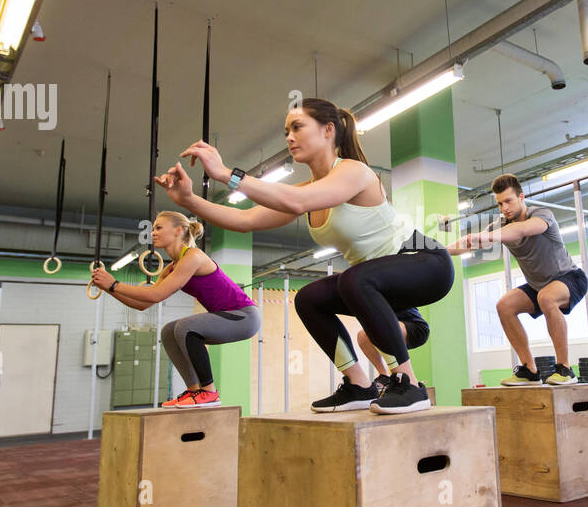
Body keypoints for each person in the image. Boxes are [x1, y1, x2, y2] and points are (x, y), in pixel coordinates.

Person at [157, 97, 454, 414]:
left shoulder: (354, 172)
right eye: (286, 130)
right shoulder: (308, 189)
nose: (288, 137)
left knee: (354, 279)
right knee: (310, 297)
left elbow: (296, 201)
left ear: (328, 130)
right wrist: (188, 200)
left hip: (426, 262)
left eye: (297, 127)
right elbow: (244, 221)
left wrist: (225, 174)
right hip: (381, 283)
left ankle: (408, 383)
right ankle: (358, 385)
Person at [90, 210, 262, 407]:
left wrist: (114, 284)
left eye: (158, 228)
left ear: (178, 230)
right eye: (153, 228)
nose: (153, 232)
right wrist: (108, 288)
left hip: (244, 317)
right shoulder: (171, 268)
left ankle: (209, 392)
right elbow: (143, 304)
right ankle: (194, 390)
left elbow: (156, 294)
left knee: (184, 327)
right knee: (169, 331)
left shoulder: (193, 256)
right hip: (228, 316)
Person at [447, 174, 588, 386]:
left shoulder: (541, 214)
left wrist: (485, 237)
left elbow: (520, 230)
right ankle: (529, 370)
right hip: (538, 286)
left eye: (509, 201)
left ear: (521, 197)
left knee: (547, 298)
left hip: (569, 278)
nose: (505, 208)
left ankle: (565, 369)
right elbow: (470, 244)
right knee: (504, 306)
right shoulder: (501, 224)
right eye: (500, 204)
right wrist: (440, 252)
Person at [356, 308, 430, 392]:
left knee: (381, 328)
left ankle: (411, 384)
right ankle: (384, 377)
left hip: (416, 326)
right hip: (391, 327)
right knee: (362, 336)